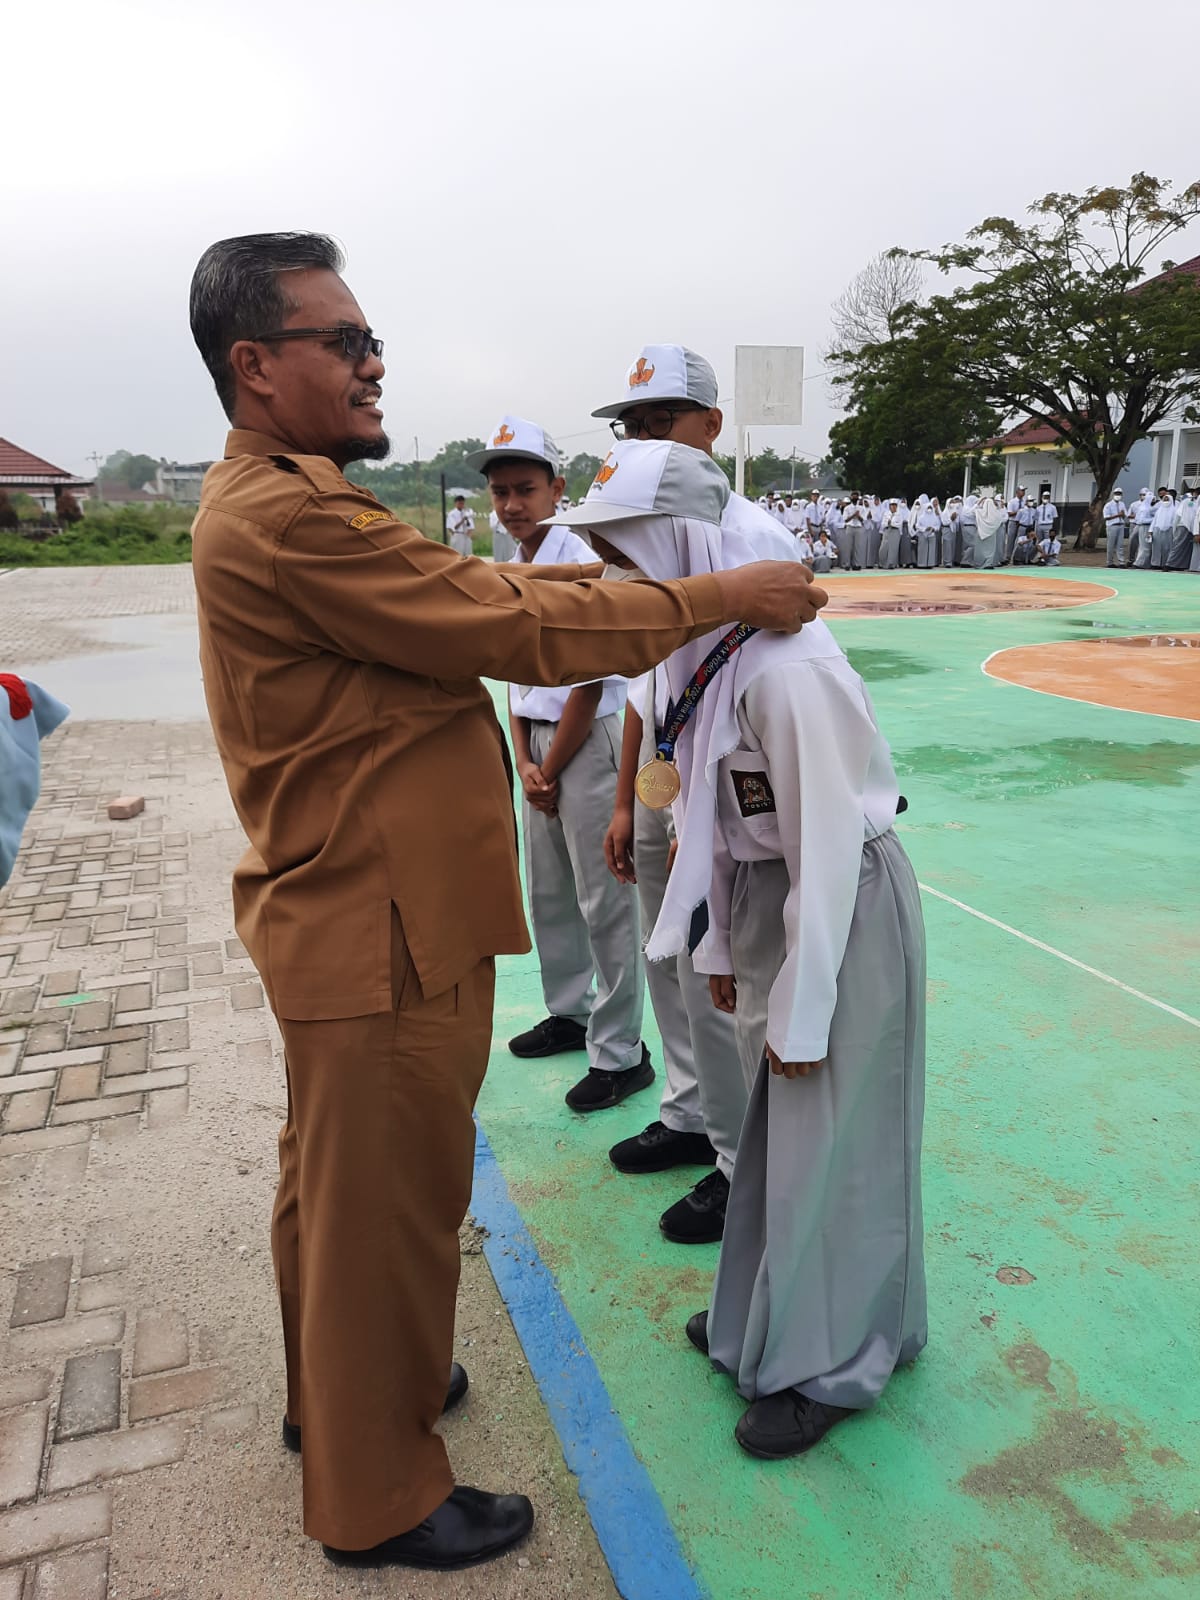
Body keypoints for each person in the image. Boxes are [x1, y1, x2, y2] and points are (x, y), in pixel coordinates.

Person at [186, 233, 826, 1572]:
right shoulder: (293, 516)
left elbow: (488, 593)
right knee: (386, 1206)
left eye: (369, 340)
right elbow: (508, 627)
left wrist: (614, 579)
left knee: (335, 1189)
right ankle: (378, 1493)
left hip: (363, 907)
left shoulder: (284, 500)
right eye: (342, 343)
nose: (372, 364)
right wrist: (718, 593)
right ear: (256, 365)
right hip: (381, 919)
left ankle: (346, 1398)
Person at [555, 439, 926, 1462]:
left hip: (836, 909)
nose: (616, 581)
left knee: (836, 1141)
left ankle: (833, 1364)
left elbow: (828, 843)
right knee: (777, 1134)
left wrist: (801, 1005)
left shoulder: (787, 666)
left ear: (684, 544)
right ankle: (766, 1324)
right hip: (768, 902)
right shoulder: (700, 653)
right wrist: (715, 942)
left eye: (627, 556)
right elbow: (709, 816)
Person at [593, 343, 811, 1243]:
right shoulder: (643, 542)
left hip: (722, 803)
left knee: (724, 973)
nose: (645, 440)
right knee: (671, 961)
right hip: (665, 783)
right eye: (633, 427)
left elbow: (754, 702)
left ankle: (735, 1159)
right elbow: (646, 682)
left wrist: (703, 820)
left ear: (711, 426)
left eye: (662, 422)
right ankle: (690, 1112)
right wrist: (627, 800)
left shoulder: (752, 543)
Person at [468, 416, 650, 1113]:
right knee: (549, 894)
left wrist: (550, 765)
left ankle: (621, 1052)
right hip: (537, 747)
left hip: (586, 742)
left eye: (525, 489)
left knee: (606, 902)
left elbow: (590, 682)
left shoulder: (582, 557)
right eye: (500, 492)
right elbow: (516, 678)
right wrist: (523, 759)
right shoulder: (516, 561)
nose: (512, 504)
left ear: (557, 488)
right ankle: (570, 1012)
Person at [1165, 486, 1196, 570]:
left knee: (1185, 548)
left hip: (1188, 528)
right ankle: (1169, 564)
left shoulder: (1190, 502)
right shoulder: (1188, 502)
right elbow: (1178, 517)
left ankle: (1180, 565)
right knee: (1178, 546)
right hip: (1183, 526)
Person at [973, 488, 1006, 569]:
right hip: (991, 534)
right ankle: (988, 563)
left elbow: (973, 511)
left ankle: (980, 563)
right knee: (990, 550)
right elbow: (1000, 519)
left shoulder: (979, 512)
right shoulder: (995, 514)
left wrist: (979, 503)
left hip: (981, 534)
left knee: (981, 549)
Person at [1149, 487, 1176, 569]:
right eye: (1165, 499)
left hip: (1169, 531)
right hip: (1157, 530)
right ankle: (1155, 564)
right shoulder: (1159, 510)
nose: (1166, 501)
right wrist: (1150, 530)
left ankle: (1165, 564)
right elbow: (1154, 521)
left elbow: (1175, 522)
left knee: (1167, 548)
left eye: (1167, 499)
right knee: (1156, 548)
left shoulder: (1174, 510)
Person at [1103, 488, 1129, 567]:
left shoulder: (1122, 504)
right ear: (1113, 494)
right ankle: (1109, 562)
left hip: (1120, 525)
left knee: (1120, 545)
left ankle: (1121, 562)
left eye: (1119, 494)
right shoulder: (1108, 505)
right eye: (1117, 494)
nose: (1118, 495)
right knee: (1110, 545)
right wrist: (1118, 515)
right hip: (1112, 526)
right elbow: (1106, 517)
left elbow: (1125, 515)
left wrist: (1123, 515)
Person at [878, 497, 907, 569]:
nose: (893, 507)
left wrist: (892, 523)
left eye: (895, 505)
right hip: (887, 530)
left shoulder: (899, 514)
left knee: (893, 549)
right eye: (892, 505)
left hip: (895, 531)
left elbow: (899, 524)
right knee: (883, 548)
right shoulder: (886, 513)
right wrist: (887, 524)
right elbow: (883, 523)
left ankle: (891, 564)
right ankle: (882, 563)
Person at [842, 491, 868, 570]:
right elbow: (845, 520)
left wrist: (858, 515)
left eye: (856, 496)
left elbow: (863, 520)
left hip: (858, 528)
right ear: (851, 497)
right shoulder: (847, 508)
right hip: (850, 527)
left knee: (857, 547)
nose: (854, 498)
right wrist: (853, 515)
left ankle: (856, 564)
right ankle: (847, 564)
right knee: (848, 547)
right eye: (853, 496)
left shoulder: (861, 508)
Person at [912, 496, 940, 568]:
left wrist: (934, 528)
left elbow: (938, 525)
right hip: (923, 535)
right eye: (928, 508)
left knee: (931, 550)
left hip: (932, 534)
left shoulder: (934, 517)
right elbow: (917, 526)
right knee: (923, 550)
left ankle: (930, 564)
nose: (929, 509)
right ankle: (922, 564)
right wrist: (925, 529)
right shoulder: (922, 517)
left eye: (930, 508)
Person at [1130, 487, 1155, 567]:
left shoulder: (1144, 507)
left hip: (1143, 527)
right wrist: (1154, 519)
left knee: (1143, 546)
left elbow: (1137, 518)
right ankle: (1140, 563)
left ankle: (1142, 562)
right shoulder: (1146, 509)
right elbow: (1142, 520)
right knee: (1145, 546)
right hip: (1145, 527)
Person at [1003, 485, 1027, 564]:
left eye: (1024, 491)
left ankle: (1017, 557)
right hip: (1013, 522)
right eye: (1022, 490)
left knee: (1020, 540)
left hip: (1021, 523)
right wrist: (1019, 512)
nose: (1023, 492)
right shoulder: (1012, 502)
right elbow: (1009, 513)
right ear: (1017, 492)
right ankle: (1008, 557)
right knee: (1011, 540)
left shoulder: (1025, 502)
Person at [958, 493, 979, 569]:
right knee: (972, 545)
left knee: (968, 545)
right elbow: (971, 513)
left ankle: (968, 561)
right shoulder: (966, 508)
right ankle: (965, 561)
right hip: (968, 526)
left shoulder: (969, 508)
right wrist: (977, 504)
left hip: (971, 527)